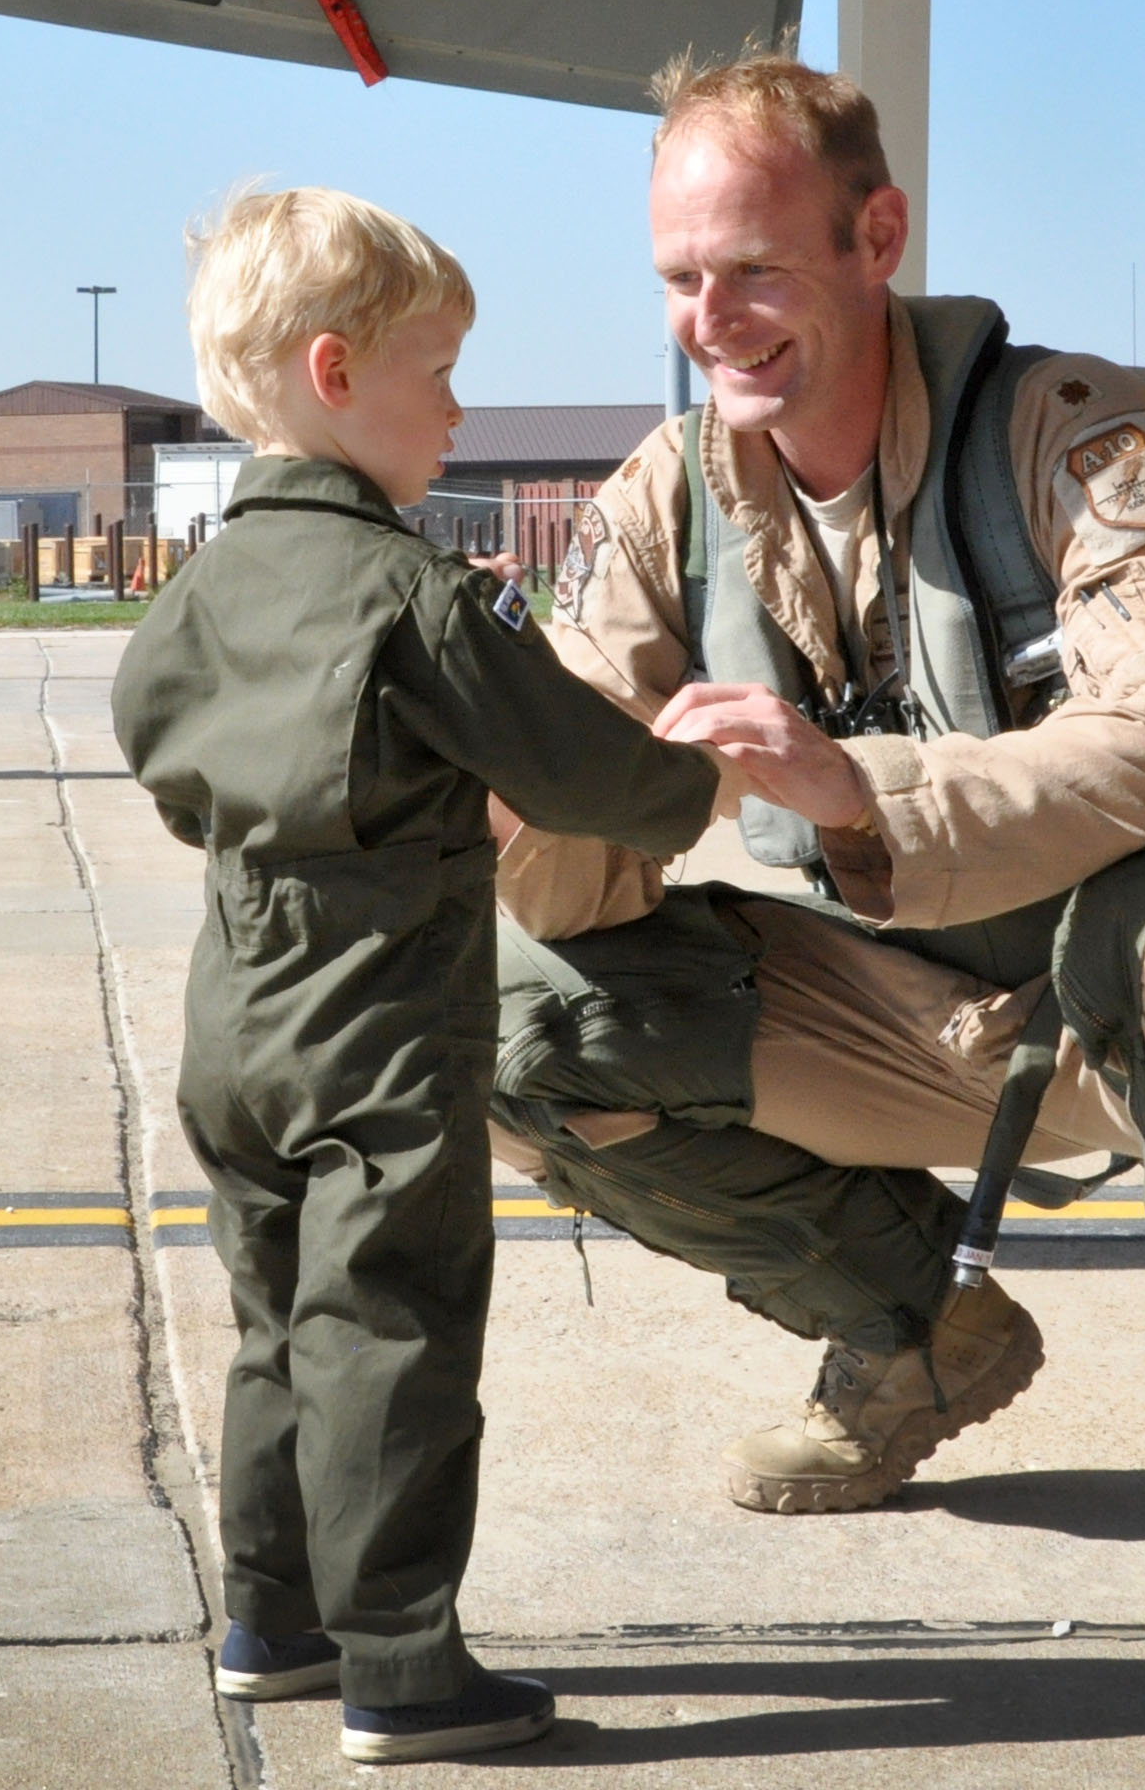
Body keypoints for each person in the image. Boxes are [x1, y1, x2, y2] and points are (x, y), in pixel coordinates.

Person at [489, 51, 1145, 1657]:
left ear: (878, 237)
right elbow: (578, 850)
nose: (711, 320)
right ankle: (911, 1330)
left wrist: (852, 787)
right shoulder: (669, 502)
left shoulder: (1072, 440)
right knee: (498, 1012)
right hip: (910, 1010)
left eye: (755, 271)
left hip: (1138, 1002)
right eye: (680, 279)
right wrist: (508, 797)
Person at [112, 186, 728, 1763]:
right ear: (335, 374)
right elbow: (579, 770)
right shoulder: (412, 595)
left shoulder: (200, 590)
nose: (458, 412)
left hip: (234, 1012)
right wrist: (699, 777)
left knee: (275, 1316)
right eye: (438, 374)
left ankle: (275, 1621)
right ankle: (399, 1666)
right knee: (392, 1324)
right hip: (379, 1024)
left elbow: (156, 742)